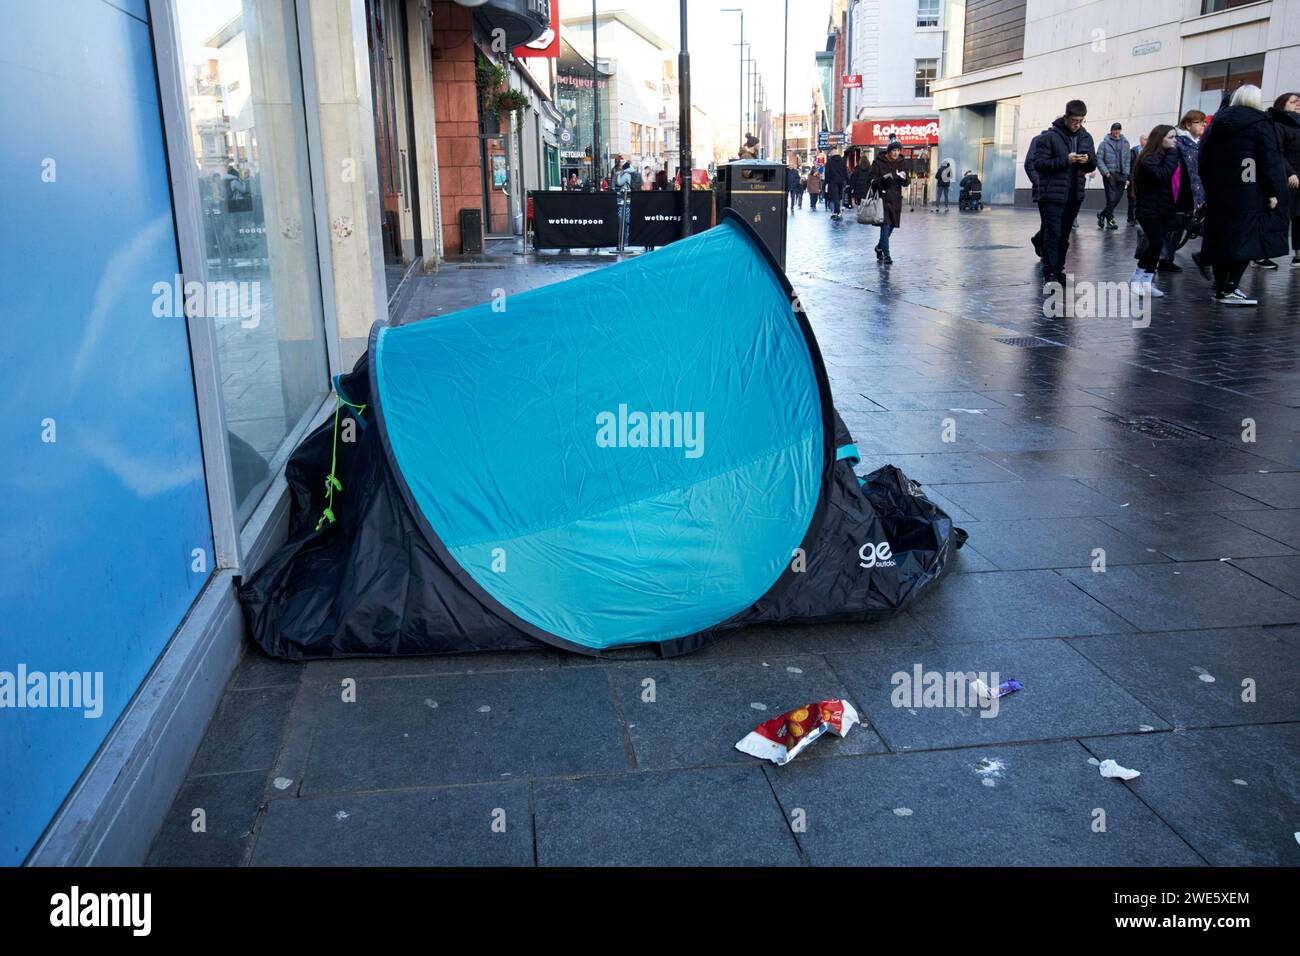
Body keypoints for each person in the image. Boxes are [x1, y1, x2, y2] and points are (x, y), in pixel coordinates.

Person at [1198, 84, 1289, 305]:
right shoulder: (1261, 124)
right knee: (1250, 239)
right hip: (1250, 192)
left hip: (1220, 191)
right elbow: (1267, 161)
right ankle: (1231, 288)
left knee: (1221, 238)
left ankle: (1222, 288)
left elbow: (1203, 158)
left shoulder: (1216, 124)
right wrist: (1273, 191)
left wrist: (1210, 186)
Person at [1033, 99, 1098, 285]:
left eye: (1081, 121)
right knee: (1052, 234)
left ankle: (1058, 270)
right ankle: (1049, 271)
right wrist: (1065, 160)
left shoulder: (1086, 137)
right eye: (1074, 120)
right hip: (1053, 194)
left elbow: (1093, 162)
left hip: (1074, 194)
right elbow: (1040, 164)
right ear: (1066, 117)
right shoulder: (1049, 137)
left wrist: (1086, 161)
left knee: (1064, 234)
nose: (1077, 125)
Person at [1129, 124, 1190, 298]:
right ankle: (1137, 277)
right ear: (1159, 138)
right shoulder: (1147, 159)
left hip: (1165, 208)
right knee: (1155, 243)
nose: (1174, 141)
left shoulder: (1166, 156)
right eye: (1170, 137)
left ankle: (1147, 281)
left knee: (1158, 246)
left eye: (1174, 137)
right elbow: (1163, 174)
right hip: (1148, 210)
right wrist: (1173, 153)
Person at [1266, 91, 1300, 267]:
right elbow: (1276, 151)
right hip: (1286, 178)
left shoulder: (1297, 124)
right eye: (1294, 101)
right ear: (1282, 104)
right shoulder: (1277, 124)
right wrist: (1289, 172)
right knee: (1276, 216)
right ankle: (1261, 254)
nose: (1298, 103)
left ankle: (1298, 255)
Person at [868, 141, 909, 262]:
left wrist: (904, 178)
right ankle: (887, 255)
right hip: (883, 198)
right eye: (894, 150)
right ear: (889, 151)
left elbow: (907, 182)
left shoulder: (902, 163)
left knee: (891, 226)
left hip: (896, 198)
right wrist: (882, 181)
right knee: (885, 226)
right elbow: (871, 180)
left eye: (898, 150)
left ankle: (879, 247)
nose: (896, 153)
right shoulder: (878, 162)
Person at [1095, 122, 1131, 229]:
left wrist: (1127, 174)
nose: (1117, 132)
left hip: (1122, 174)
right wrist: (1106, 173)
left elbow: (1127, 160)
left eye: (1118, 129)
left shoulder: (1125, 143)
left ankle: (1102, 214)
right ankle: (1110, 219)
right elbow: (1099, 159)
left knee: (1117, 198)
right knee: (1111, 198)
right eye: (1115, 129)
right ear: (1111, 130)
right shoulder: (1104, 144)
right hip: (1110, 174)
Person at [1024, 131, 1046, 259]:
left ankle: (1039, 240)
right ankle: (1046, 252)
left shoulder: (1072, 139)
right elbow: (1029, 164)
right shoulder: (1039, 139)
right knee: (1048, 222)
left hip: (1063, 190)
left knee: (1052, 224)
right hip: (1044, 190)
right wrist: (1039, 183)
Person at [824, 149, 849, 221]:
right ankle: (837, 211)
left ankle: (836, 212)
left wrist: (826, 182)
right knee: (839, 196)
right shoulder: (842, 161)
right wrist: (847, 181)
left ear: (832, 154)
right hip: (841, 181)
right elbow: (845, 172)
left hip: (833, 182)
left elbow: (827, 174)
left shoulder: (829, 162)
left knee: (835, 197)